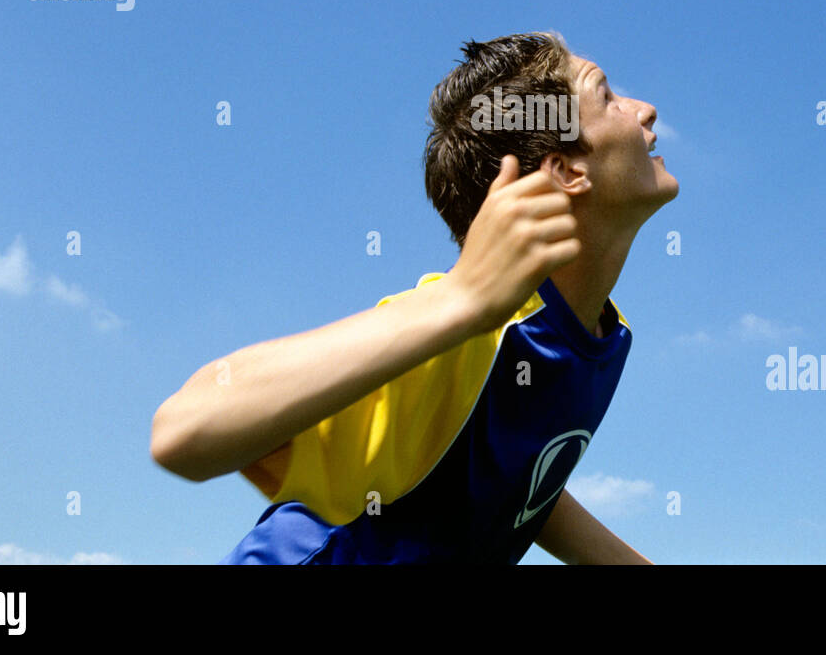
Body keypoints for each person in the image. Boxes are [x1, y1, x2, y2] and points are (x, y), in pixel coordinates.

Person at [150, 31, 678, 563]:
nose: (645, 111)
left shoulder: (599, 332)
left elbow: (511, 474)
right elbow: (184, 429)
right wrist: (463, 299)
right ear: (567, 171)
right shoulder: (467, 330)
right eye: (607, 96)